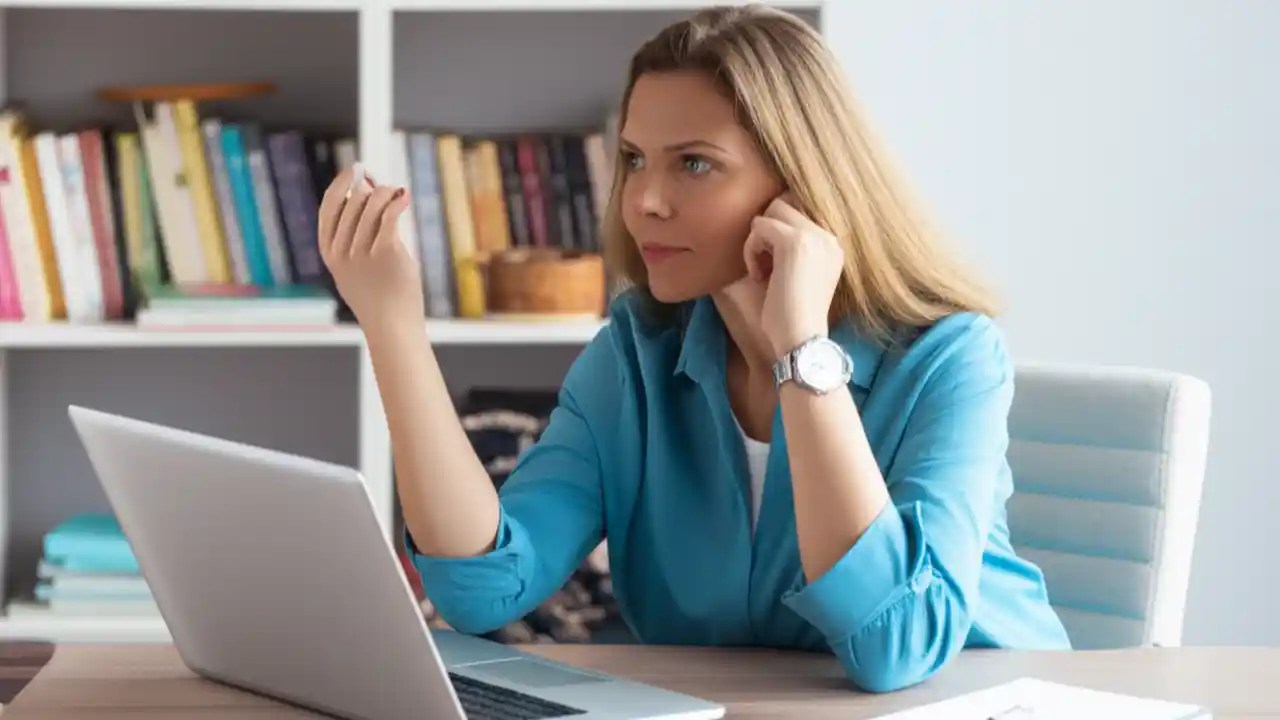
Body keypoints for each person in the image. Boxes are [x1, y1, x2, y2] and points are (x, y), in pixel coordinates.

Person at [316, 4, 1071, 694]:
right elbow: (481, 589)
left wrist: (801, 345)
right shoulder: (633, 360)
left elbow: (896, 647)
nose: (645, 199)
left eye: (695, 163)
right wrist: (393, 326)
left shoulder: (950, 357)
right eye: (636, 159)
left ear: (801, 183)